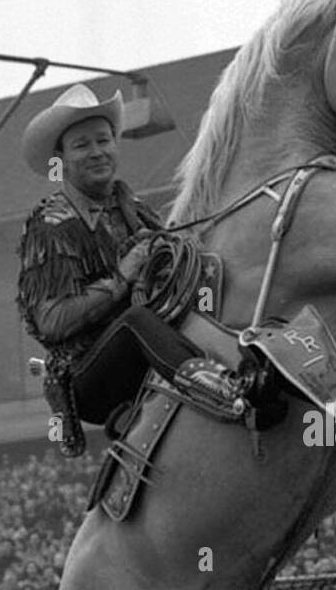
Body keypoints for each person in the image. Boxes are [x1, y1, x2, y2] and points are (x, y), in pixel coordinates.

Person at [16, 84, 208, 453]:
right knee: (136, 321)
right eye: (82, 145)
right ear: (62, 160)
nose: (97, 152)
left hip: (153, 352)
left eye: (103, 140)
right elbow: (51, 320)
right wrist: (123, 278)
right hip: (88, 377)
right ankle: (218, 389)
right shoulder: (51, 225)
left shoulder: (136, 210)